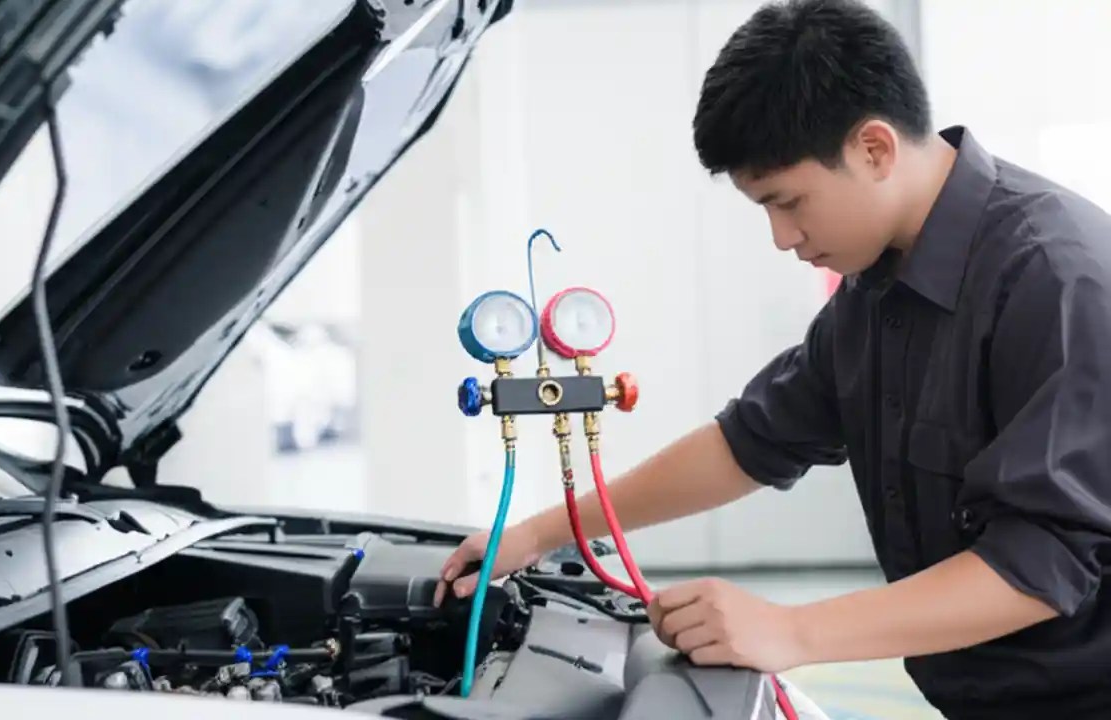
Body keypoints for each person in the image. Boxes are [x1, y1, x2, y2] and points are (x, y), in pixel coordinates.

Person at [433, 1, 1111, 717]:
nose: (782, 237)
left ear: (874, 149)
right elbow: (748, 442)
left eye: (788, 202)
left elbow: (1044, 563)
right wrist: (540, 532)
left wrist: (791, 630)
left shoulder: (1055, 279)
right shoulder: (875, 287)